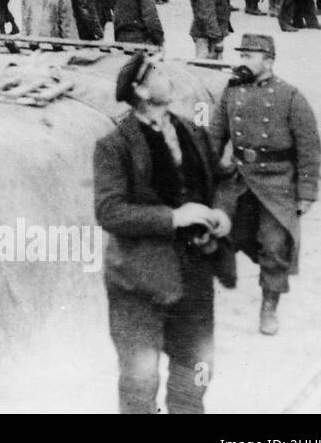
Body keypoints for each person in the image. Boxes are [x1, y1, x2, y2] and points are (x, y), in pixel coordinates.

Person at [93, 52, 236, 413]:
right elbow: (110, 212)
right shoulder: (114, 146)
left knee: (196, 373)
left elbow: (224, 180)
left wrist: (221, 211)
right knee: (140, 382)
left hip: (194, 275)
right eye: (155, 71)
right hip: (138, 283)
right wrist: (175, 217)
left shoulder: (192, 131)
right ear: (140, 90)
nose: (165, 74)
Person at [207, 34, 321, 335]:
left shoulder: (290, 97)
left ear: (267, 60)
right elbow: (215, 136)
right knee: (211, 234)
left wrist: (306, 193)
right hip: (239, 179)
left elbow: (309, 147)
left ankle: (268, 308)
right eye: (241, 55)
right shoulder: (232, 92)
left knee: (274, 246)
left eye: (248, 56)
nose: (241, 61)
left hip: (276, 183)